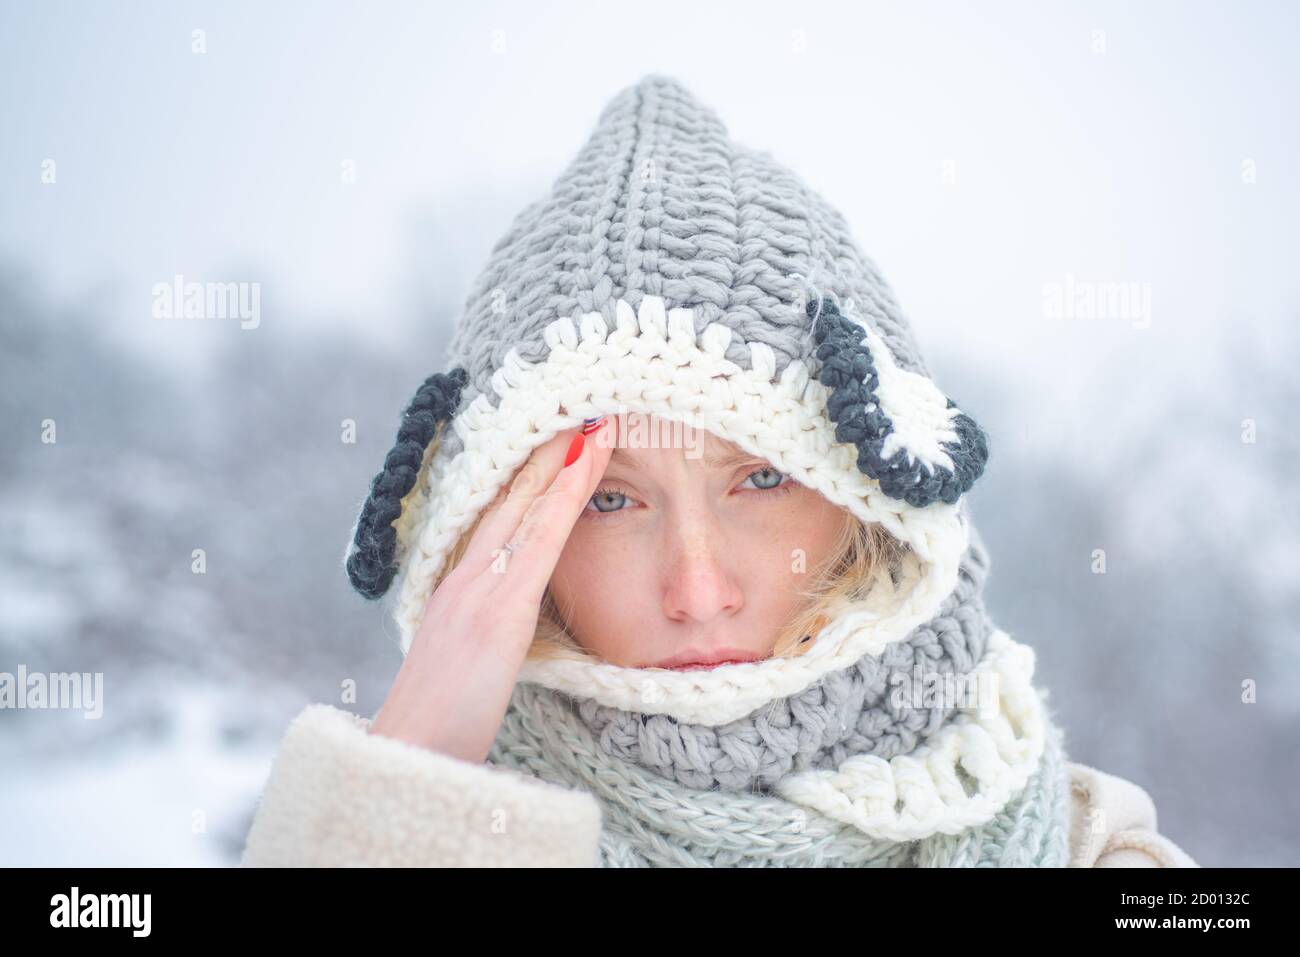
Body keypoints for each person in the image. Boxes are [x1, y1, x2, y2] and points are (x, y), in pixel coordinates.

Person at [240, 74, 1197, 868]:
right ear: (502, 526)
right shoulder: (388, 823)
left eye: (762, 480)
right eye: (609, 499)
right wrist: (414, 762)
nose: (697, 589)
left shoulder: (1091, 851)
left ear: (872, 496)